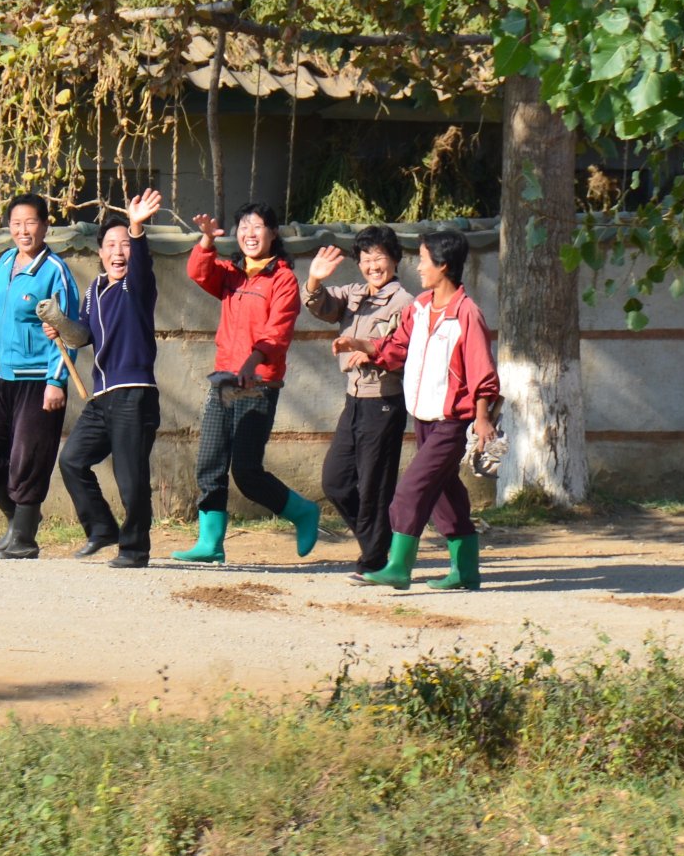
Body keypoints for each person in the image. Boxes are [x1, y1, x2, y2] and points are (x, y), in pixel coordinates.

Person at [333, 229, 499, 590]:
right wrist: (360, 344)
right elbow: (395, 345)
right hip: (423, 417)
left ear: (442, 265)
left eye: (424, 260)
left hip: (453, 421)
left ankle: (398, 566)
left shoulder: (467, 314)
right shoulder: (421, 306)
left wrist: (483, 418)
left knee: (410, 491)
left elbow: (482, 369)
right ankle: (465, 570)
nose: (419, 267)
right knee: (443, 492)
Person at [172, 201, 322, 563]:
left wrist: (254, 360)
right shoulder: (232, 274)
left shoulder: (283, 279)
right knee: (209, 461)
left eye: (257, 227)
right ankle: (210, 543)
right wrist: (206, 241)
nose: (250, 234)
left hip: (258, 383)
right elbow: (198, 272)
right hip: (224, 379)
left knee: (246, 470)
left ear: (272, 234)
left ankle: (301, 511)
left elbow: (279, 331)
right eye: (243, 227)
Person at [49, 189, 163, 568]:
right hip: (101, 397)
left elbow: (142, 263)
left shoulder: (137, 286)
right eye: (111, 245)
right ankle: (102, 529)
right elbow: (83, 335)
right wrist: (60, 326)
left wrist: (136, 226)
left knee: (131, 478)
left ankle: (134, 550)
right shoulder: (92, 291)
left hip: (134, 395)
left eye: (125, 245)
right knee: (72, 460)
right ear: (99, 253)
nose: (119, 252)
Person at [0, 193, 80, 559]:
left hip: (39, 380)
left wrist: (55, 381)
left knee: (28, 459)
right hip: (3, 377)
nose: (23, 230)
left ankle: (24, 540)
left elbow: (68, 332)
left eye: (30, 222)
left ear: (46, 225)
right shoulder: (4, 263)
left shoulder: (55, 272)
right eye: (16, 223)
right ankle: (20, 520)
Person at [305, 226, 410, 576]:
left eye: (379, 257)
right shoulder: (354, 294)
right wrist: (314, 281)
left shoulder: (405, 303)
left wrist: (372, 355)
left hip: (383, 402)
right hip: (353, 400)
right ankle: (383, 544)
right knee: (335, 481)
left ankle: (374, 560)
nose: (373, 265)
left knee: (373, 487)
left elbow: (403, 350)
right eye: (366, 259)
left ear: (394, 259)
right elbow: (323, 306)